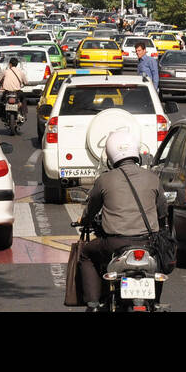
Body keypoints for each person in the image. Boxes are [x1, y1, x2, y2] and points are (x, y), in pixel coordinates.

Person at [77, 129, 167, 311]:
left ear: (110, 156)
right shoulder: (153, 178)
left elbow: (92, 208)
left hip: (115, 244)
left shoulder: (104, 179)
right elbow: (162, 211)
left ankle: (93, 304)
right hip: (148, 243)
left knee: (86, 253)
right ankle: (155, 302)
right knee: (157, 267)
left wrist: (84, 221)